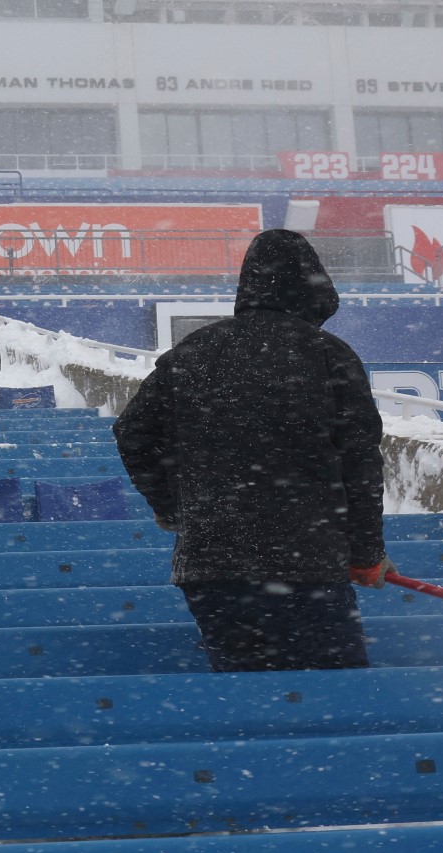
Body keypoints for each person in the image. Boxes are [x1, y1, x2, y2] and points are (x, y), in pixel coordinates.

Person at [112, 228, 389, 673]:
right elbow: (360, 464)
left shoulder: (195, 350)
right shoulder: (329, 355)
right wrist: (366, 554)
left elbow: (133, 433)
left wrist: (172, 505)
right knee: (337, 698)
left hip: (213, 566)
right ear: (315, 288)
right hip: (310, 563)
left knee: (244, 693)